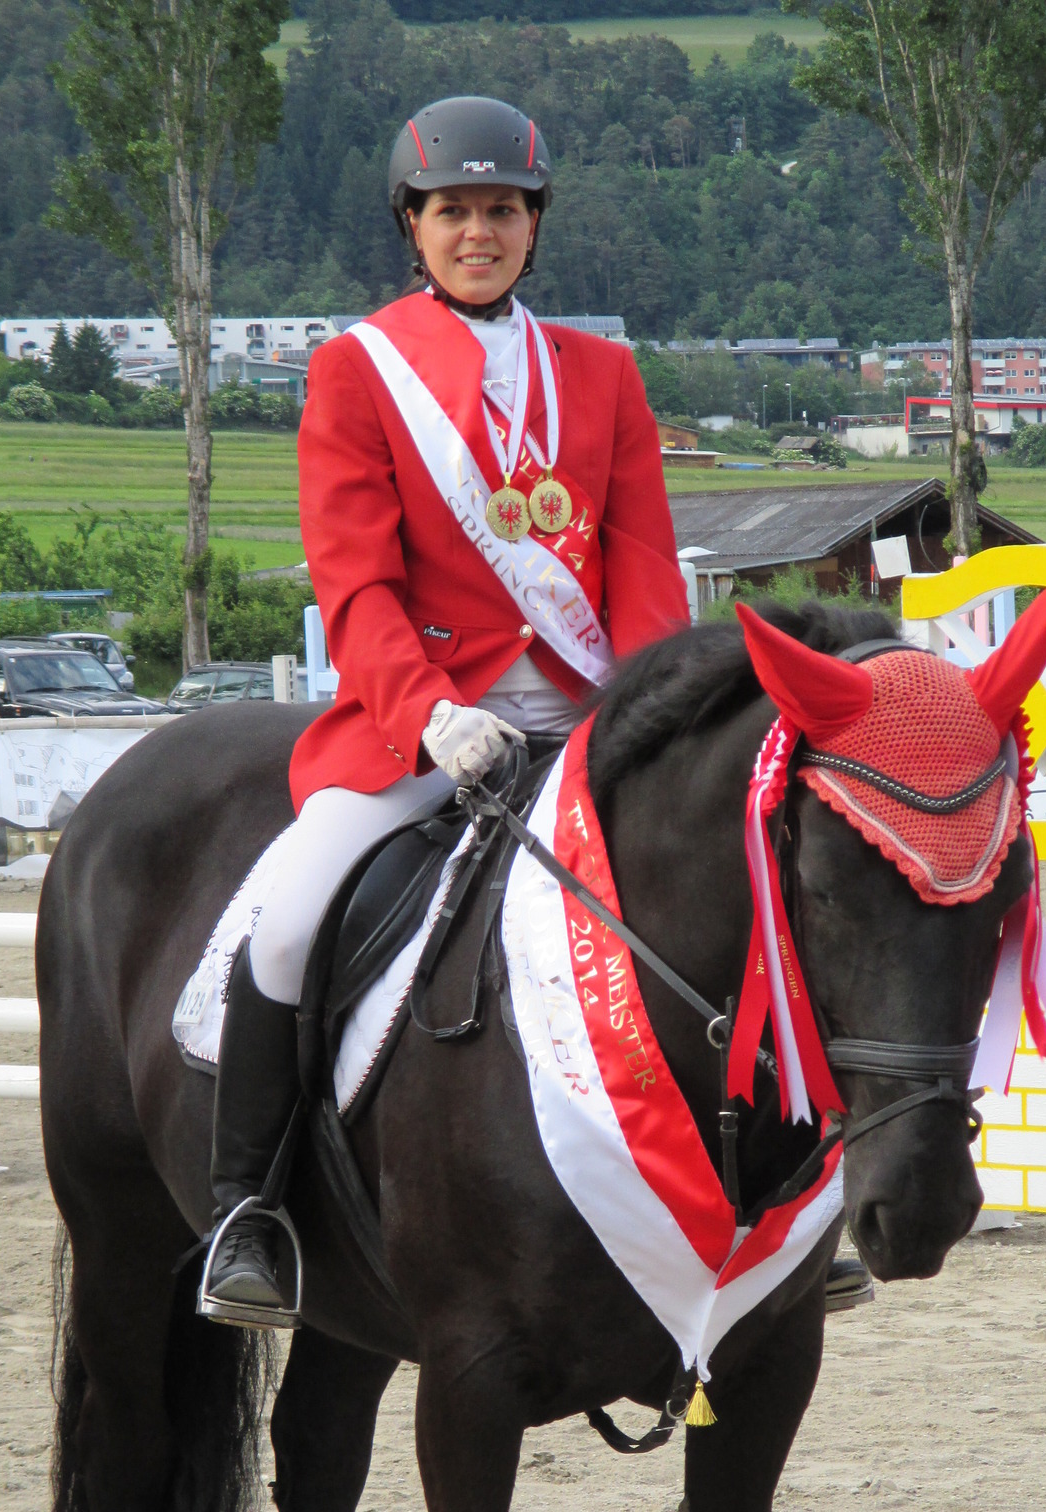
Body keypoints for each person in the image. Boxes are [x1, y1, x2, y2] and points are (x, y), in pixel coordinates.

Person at [199, 94, 691, 1326]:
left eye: (503, 210)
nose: (481, 230)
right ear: (412, 226)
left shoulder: (607, 375)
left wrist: (656, 717)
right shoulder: (358, 371)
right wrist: (428, 713)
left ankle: (780, 1192)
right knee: (292, 912)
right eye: (455, 211)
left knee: (732, 891)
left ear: (536, 226)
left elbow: (639, 572)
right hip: (427, 726)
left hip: (591, 725)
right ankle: (247, 1211)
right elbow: (353, 579)